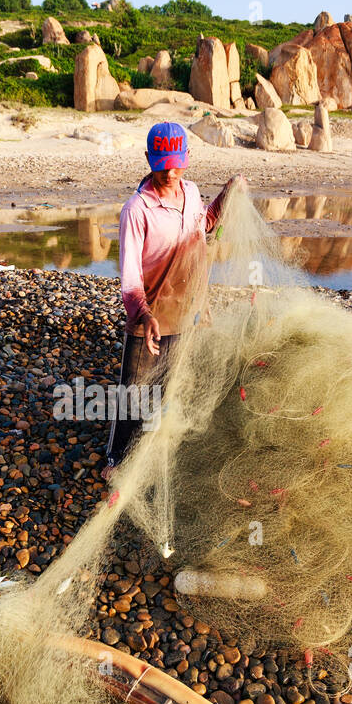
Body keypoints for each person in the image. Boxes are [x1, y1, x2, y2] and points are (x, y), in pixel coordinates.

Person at [104, 121, 245, 476]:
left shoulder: (192, 193)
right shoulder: (137, 210)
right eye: (162, 162)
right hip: (148, 321)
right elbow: (130, 276)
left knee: (168, 387)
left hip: (186, 313)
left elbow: (207, 224)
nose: (169, 171)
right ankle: (117, 459)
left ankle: (152, 451)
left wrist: (227, 194)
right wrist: (143, 315)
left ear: (185, 159)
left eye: (176, 162)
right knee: (134, 393)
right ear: (149, 158)